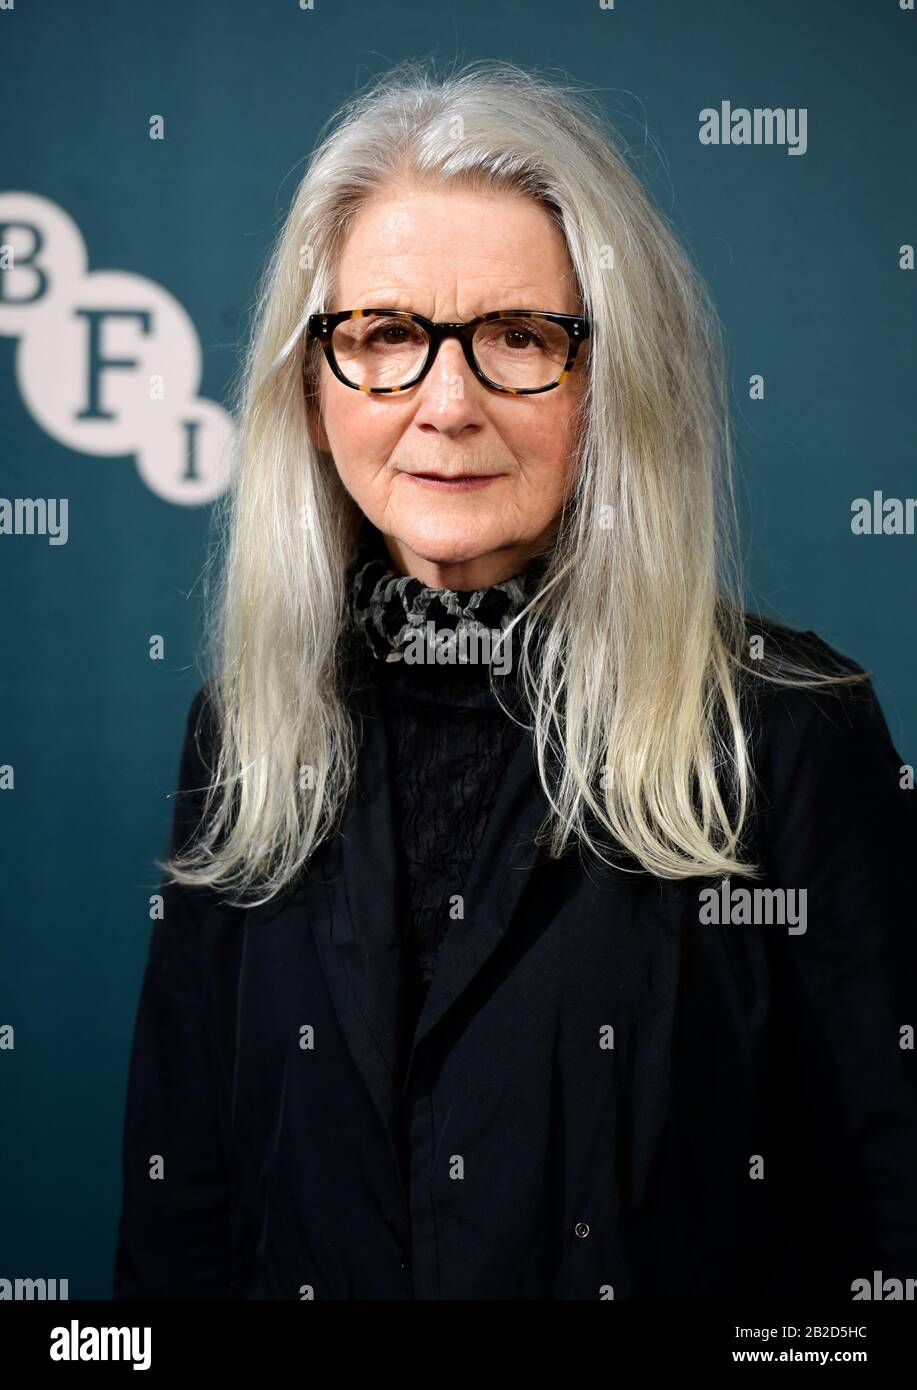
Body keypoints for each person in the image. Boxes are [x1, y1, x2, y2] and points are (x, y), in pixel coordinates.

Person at [113, 59, 917, 1301]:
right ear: (314, 390)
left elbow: (889, 1214)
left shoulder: (784, 730)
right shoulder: (242, 731)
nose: (447, 403)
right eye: (384, 335)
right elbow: (185, 1218)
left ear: (609, 386)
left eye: (517, 338)